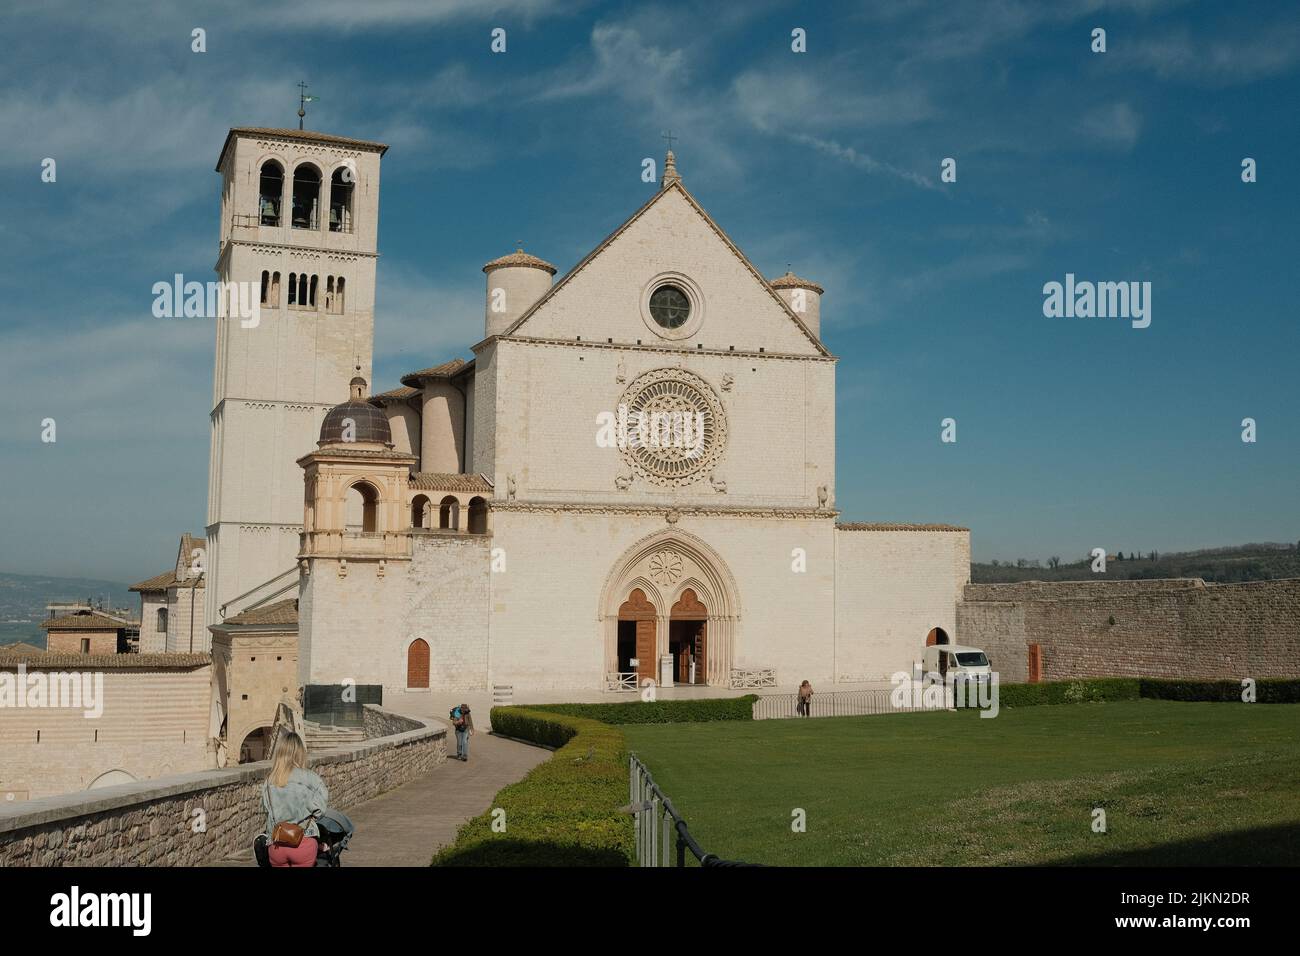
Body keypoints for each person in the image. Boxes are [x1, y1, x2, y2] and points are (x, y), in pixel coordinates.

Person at [261, 731, 328, 867]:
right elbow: (320, 811)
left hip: (277, 845)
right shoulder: (311, 778)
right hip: (303, 842)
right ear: (300, 753)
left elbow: (266, 811)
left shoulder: (269, 781)